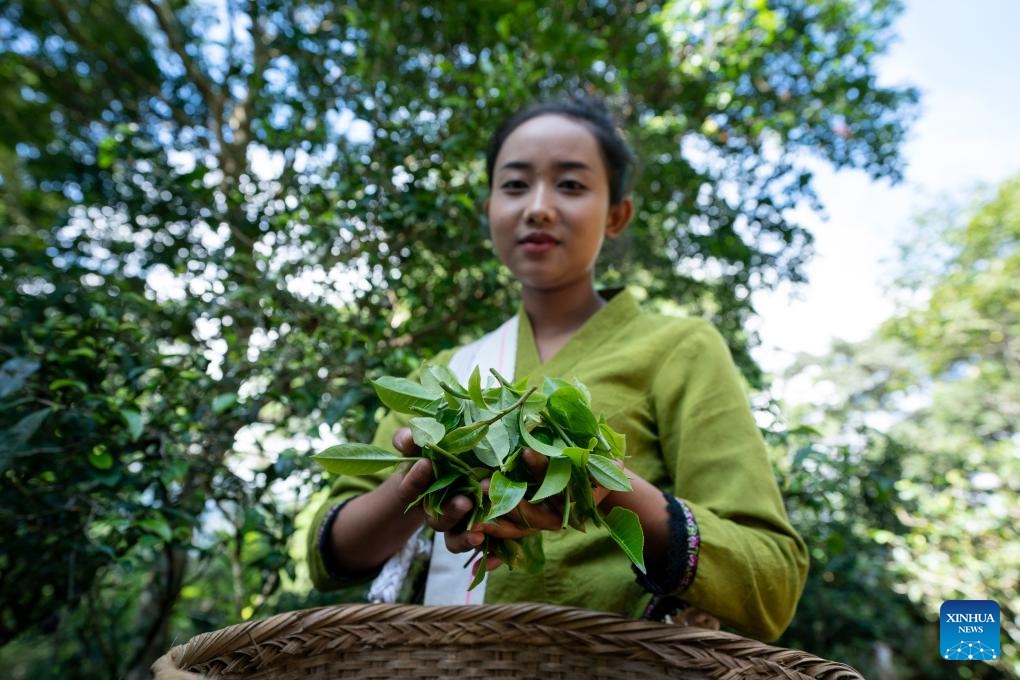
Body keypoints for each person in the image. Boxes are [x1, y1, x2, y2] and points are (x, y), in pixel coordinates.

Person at [308, 97, 809, 641]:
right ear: (490, 208)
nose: (539, 207)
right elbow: (328, 554)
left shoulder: (680, 348)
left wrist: (605, 486)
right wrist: (419, 485)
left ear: (617, 214)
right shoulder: (448, 373)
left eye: (570, 185)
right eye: (516, 185)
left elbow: (770, 578)